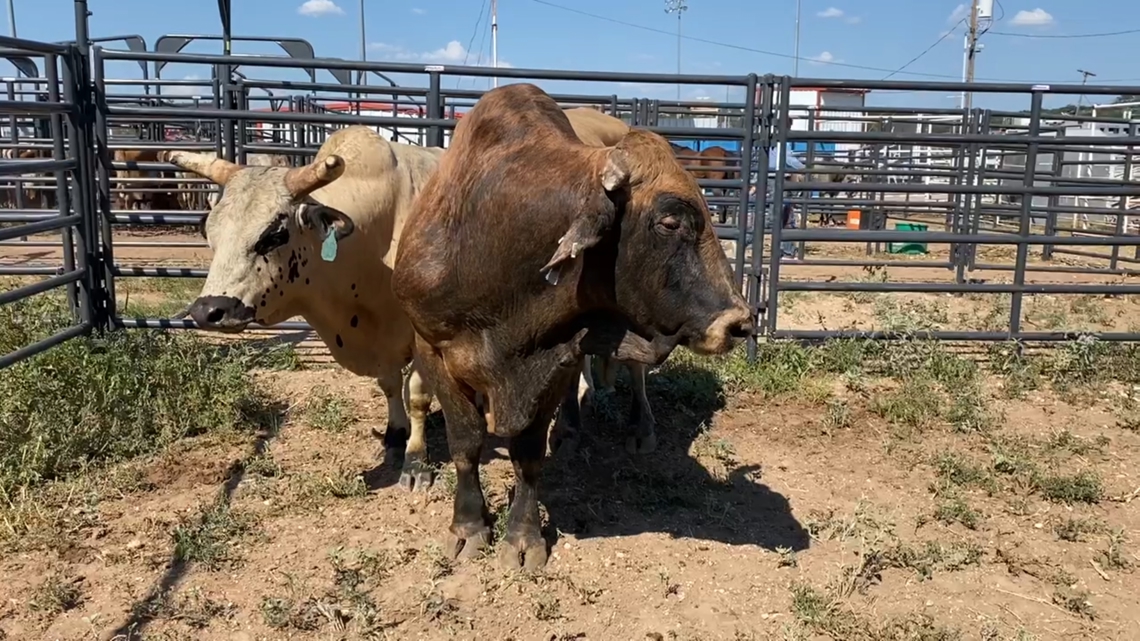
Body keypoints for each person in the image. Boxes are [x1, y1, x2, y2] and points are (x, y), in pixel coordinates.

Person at [748, 115, 805, 259]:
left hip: (768, 177)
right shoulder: (780, 140)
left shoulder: (769, 138)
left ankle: (784, 249)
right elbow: (787, 159)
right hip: (776, 179)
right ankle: (750, 242)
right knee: (780, 215)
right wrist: (805, 168)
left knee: (777, 214)